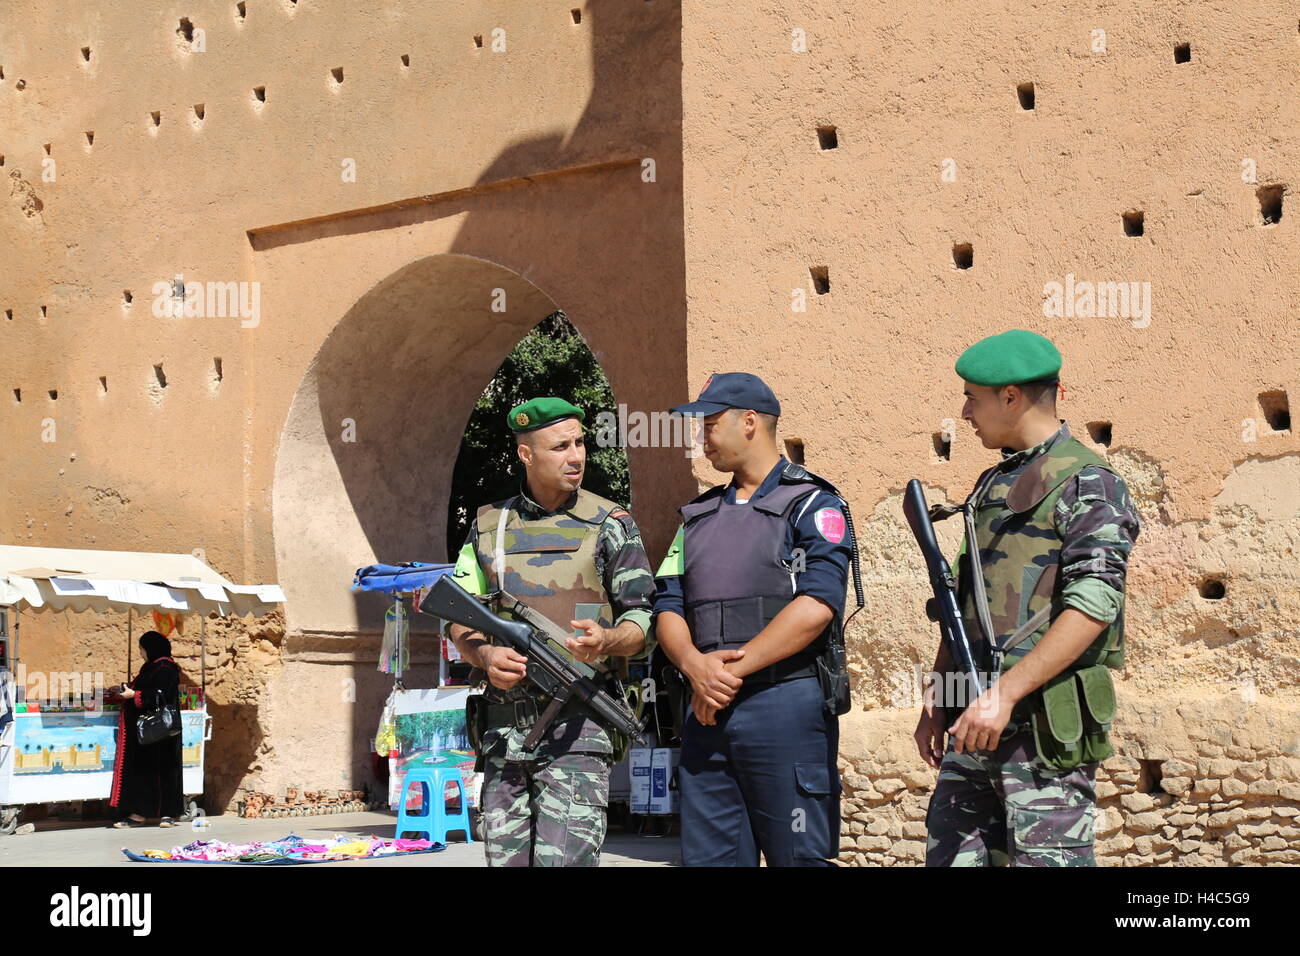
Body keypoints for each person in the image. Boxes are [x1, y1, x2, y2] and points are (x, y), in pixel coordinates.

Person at [917, 329, 1141, 866]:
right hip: (973, 723)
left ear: (1011, 397)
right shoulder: (992, 483)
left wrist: (1006, 695)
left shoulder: (1089, 483)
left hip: (1042, 733)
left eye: (973, 396)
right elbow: (962, 600)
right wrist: (938, 692)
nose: (966, 412)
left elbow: (1093, 604)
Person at [440, 396, 656, 866]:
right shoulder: (488, 526)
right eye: (560, 446)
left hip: (579, 725)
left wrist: (607, 641)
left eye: (580, 443)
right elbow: (457, 615)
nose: (576, 455)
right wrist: (484, 657)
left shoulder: (611, 524)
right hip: (502, 732)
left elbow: (643, 620)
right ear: (526, 454)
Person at [653, 372, 855, 866]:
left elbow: (817, 606)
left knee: (798, 854)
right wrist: (696, 669)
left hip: (784, 706)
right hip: (707, 711)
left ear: (749, 422)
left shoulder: (812, 504)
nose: (701, 437)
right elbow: (667, 606)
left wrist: (726, 673)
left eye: (709, 422)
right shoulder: (695, 518)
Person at [109, 630, 185, 828]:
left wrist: (134, 694)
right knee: (148, 772)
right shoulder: (152, 667)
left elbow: (161, 694)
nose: (141, 653)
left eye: (142, 649)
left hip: (159, 731)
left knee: (162, 771)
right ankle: (142, 812)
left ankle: (166, 813)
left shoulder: (166, 668)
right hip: (149, 732)